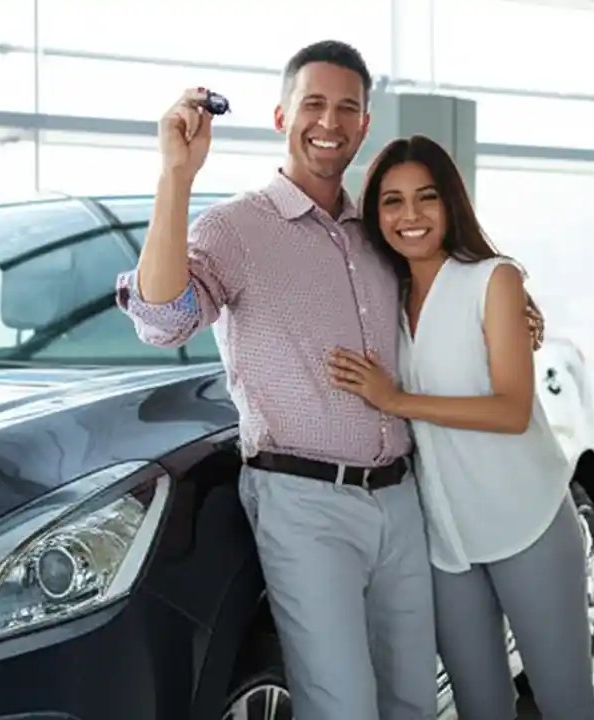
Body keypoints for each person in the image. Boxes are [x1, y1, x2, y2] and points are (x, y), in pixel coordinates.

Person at [114, 40, 437, 720]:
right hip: (303, 502)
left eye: (347, 108)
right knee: (343, 706)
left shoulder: (378, 229)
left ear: (365, 125)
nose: (330, 122)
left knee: (412, 700)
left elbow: (445, 294)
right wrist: (176, 175)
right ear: (282, 116)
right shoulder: (235, 229)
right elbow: (164, 319)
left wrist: (513, 306)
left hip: (400, 497)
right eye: (314, 104)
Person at [326, 134, 594, 719]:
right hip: (447, 542)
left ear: (451, 202)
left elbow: (510, 409)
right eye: (393, 201)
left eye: (426, 197)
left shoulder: (493, 280)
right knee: (479, 708)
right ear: (375, 215)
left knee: (565, 703)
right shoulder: (384, 297)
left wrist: (398, 399)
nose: (411, 215)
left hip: (527, 522)